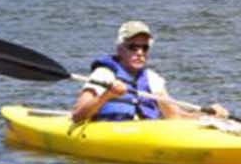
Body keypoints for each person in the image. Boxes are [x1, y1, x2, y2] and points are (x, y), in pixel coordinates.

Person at [71, 21, 228, 124]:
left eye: (144, 48)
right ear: (120, 49)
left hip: (145, 134)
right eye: (133, 47)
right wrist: (107, 95)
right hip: (109, 132)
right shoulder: (104, 74)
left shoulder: (153, 79)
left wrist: (209, 116)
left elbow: (175, 117)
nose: (140, 52)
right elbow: (77, 116)